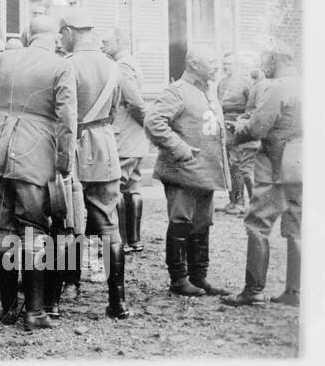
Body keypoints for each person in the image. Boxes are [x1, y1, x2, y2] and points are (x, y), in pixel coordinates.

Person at [0, 14, 77, 330]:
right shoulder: (61, 66)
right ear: (55, 37)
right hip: (33, 155)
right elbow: (67, 122)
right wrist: (63, 163)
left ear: (29, 36)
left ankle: (8, 309)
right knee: (33, 230)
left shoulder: (8, 58)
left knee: (4, 229)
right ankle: (34, 312)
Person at [144, 46, 231, 298]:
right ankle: (178, 279)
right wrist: (179, 148)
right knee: (181, 222)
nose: (216, 65)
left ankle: (198, 277)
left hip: (205, 172)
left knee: (202, 223)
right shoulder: (177, 91)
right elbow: (154, 122)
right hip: (182, 171)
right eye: (211, 60)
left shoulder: (207, 90)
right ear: (193, 63)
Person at [222, 42, 303, 307]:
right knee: (297, 227)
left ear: (276, 60)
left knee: (258, 224)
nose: (263, 66)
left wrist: (241, 126)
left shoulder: (278, 88)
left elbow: (257, 127)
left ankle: (253, 291)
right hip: (302, 162)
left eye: (265, 60)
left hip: (275, 163)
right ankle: (295, 292)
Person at [59, 9, 128, 319]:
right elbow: (113, 111)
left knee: (65, 220)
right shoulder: (114, 67)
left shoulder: (67, 66)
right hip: (104, 147)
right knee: (109, 225)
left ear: (71, 32)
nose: (61, 39)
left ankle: (68, 286)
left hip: (73, 149)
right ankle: (118, 301)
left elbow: (64, 115)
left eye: (63, 33)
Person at [101, 28, 150, 253]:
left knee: (116, 187)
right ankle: (134, 240)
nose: (102, 45)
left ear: (119, 42)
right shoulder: (129, 62)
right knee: (132, 186)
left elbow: (135, 102)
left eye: (106, 42)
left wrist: (147, 123)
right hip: (133, 136)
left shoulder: (122, 65)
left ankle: (122, 240)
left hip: (124, 135)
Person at [217, 52, 260, 217]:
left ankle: (250, 205)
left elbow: (254, 108)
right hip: (225, 128)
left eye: (229, 63)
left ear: (237, 65)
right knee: (230, 166)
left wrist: (243, 123)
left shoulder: (246, 83)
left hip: (239, 128)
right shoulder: (221, 83)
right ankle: (235, 201)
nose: (226, 66)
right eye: (224, 64)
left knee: (242, 167)